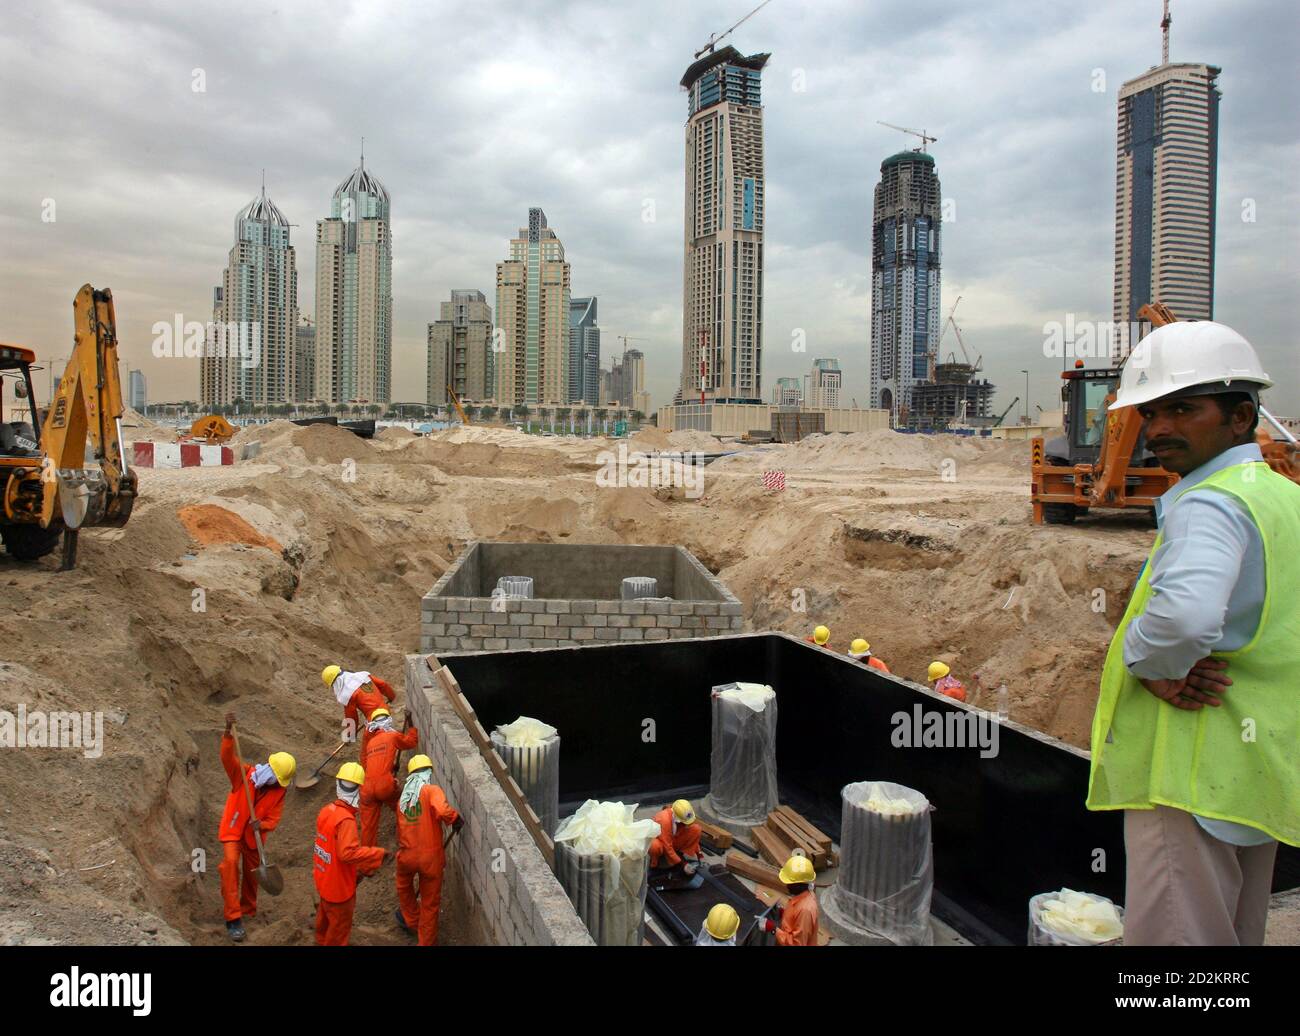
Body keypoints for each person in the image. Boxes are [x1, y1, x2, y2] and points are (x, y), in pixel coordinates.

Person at [1085, 320, 1299, 946]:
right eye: (1152, 414)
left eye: (1183, 409)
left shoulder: (1210, 502)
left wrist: (1153, 665)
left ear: (1241, 418)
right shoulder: (1282, 497)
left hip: (1190, 768)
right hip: (1254, 769)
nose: (1159, 429)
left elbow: (1183, 617)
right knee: (1235, 936)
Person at [217, 712, 295, 942]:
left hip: (255, 837)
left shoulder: (279, 792)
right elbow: (226, 758)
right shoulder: (244, 775)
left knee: (253, 876)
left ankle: (248, 908)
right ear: (269, 771)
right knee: (230, 864)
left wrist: (262, 825)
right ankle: (233, 918)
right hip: (233, 830)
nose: (277, 785)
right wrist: (228, 732)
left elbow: (275, 817)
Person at [313, 761, 387, 946]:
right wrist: (376, 854)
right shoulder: (346, 820)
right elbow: (347, 853)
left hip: (324, 880)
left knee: (323, 924)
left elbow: (331, 848)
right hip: (339, 891)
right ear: (358, 790)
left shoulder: (326, 811)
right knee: (338, 933)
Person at [394, 754, 462, 946]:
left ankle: (412, 919)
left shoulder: (404, 800)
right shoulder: (431, 790)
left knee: (403, 885)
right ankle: (425, 941)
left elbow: (400, 830)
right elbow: (442, 810)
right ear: (427, 773)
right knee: (430, 904)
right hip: (430, 858)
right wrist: (454, 819)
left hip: (406, 855)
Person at [358, 708, 420, 846]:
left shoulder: (370, 744)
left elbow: (374, 765)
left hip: (366, 789)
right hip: (384, 786)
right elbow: (411, 742)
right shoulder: (392, 736)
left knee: (368, 827)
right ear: (388, 722)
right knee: (401, 807)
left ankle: (366, 861)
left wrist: (391, 769)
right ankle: (407, 844)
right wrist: (411, 725)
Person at [322, 665, 397, 746]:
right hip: (386, 712)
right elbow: (383, 684)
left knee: (369, 749)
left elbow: (352, 718)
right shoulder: (362, 676)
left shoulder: (347, 694)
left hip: (376, 721)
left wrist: (350, 736)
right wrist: (391, 696)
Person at [756, 855, 819, 946]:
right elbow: (796, 918)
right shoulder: (805, 893)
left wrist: (773, 929)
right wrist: (785, 913)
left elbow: (797, 944)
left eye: (790, 883)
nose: (787, 886)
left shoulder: (805, 911)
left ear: (800, 884)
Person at [649, 799, 701, 874]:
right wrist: (683, 864)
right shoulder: (664, 820)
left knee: (696, 829)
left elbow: (690, 831)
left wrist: (699, 854)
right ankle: (655, 863)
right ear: (678, 819)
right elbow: (667, 845)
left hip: (670, 839)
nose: (686, 824)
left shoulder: (683, 815)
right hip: (661, 842)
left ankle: (677, 855)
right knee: (654, 846)